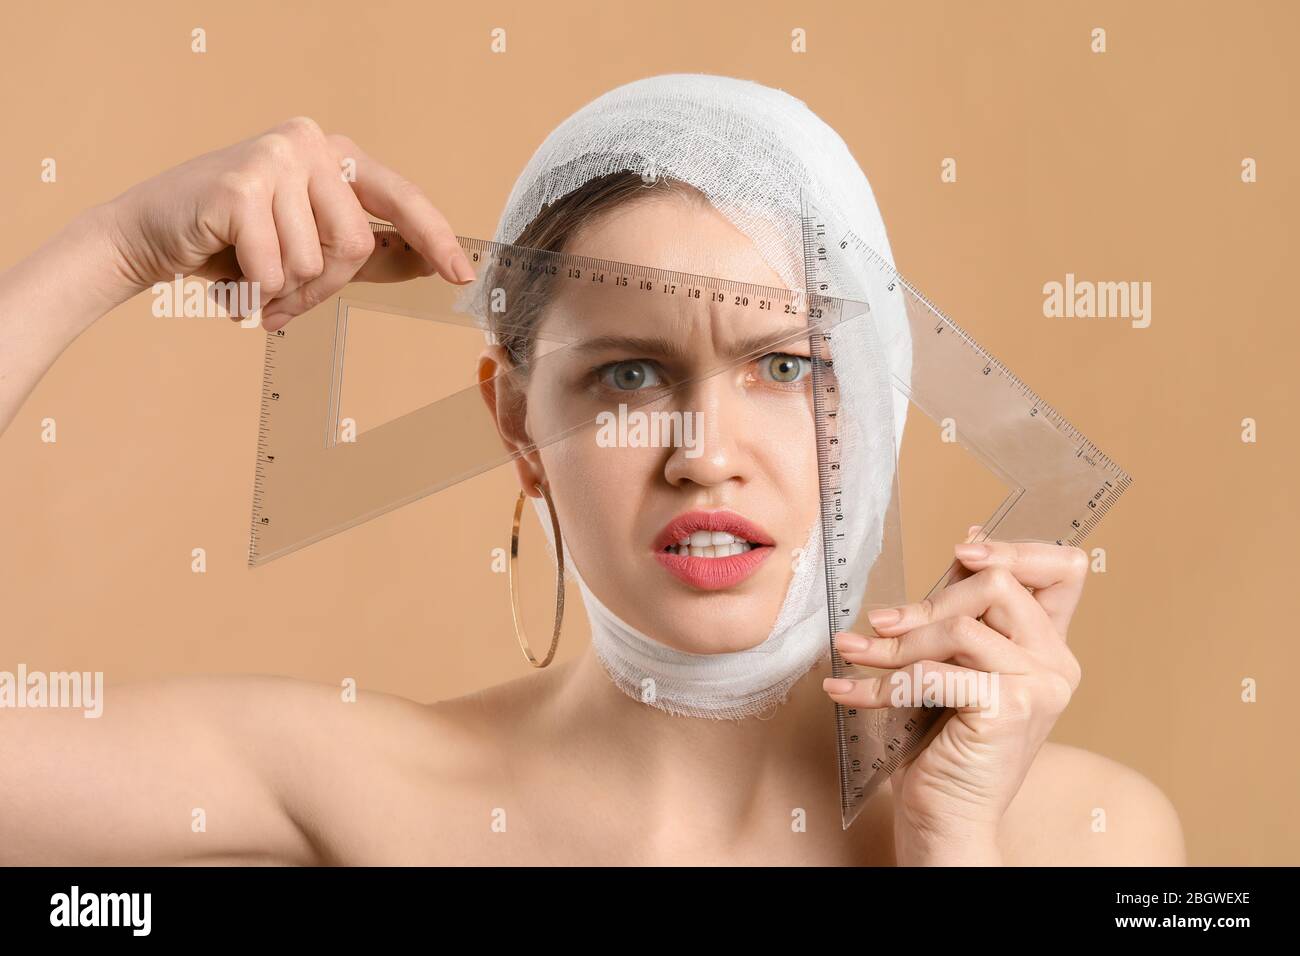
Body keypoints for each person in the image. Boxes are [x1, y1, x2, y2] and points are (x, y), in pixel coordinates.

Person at [0, 74, 1185, 866]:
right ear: (520, 426)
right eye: (627, 376)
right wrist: (112, 249)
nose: (702, 455)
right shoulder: (353, 785)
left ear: (871, 401)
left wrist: (955, 843)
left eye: (784, 366)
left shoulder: (1083, 832)